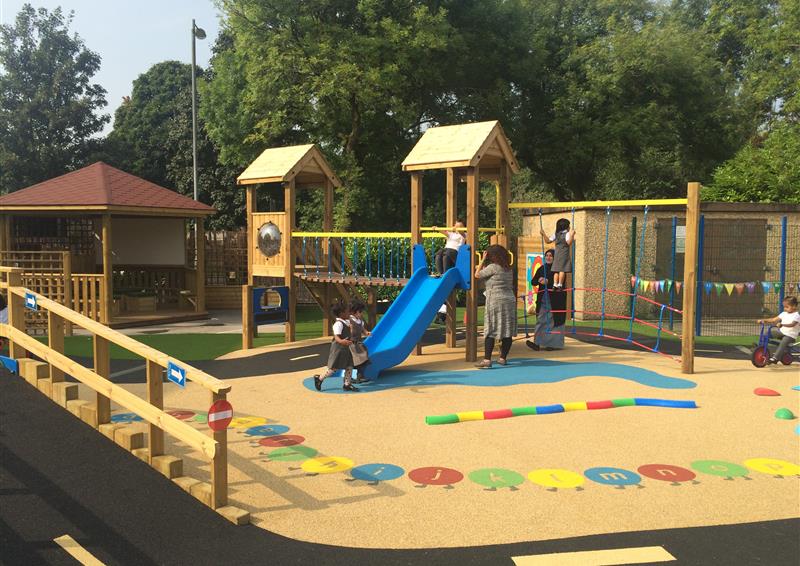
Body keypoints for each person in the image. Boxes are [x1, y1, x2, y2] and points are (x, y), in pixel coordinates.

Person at [474, 245, 517, 368]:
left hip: (495, 300)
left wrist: (482, 260)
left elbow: (477, 275)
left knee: (491, 329)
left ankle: (487, 360)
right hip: (509, 300)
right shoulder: (508, 269)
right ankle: (503, 358)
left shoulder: (493, 267)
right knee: (507, 330)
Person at [314, 303, 358, 392]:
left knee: (349, 366)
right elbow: (337, 337)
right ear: (341, 313)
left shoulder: (346, 322)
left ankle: (347, 384)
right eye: (347, 312)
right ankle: (320, 378)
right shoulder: (338, 324)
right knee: (334, 368)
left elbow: (349, 333)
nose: (349, 313)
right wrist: (342, 341)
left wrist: (351, 329)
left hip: (346, 348)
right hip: (339, 349)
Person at [525, 249, 562, 352]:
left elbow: (560, 284)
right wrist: (539, 280)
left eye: (551, 256)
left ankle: (551, 343)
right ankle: (537, 343)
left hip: (554, 298)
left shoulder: (558, 270)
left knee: (552, 321)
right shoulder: (542, 268)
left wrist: (548, 282)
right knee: (540, 320)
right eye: (547, 255)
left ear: (554, 258)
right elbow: (533, 281)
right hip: (543, 298)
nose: (548, 257)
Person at [758, 296, 799, 365]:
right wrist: (764, 320)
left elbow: (792, 324)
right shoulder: (784, 314)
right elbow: (774, 319)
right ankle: (761, 347)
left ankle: (775, 358)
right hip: (781, 332)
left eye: (787, 307)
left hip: (790, 336)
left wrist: (782, 324)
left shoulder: (796, 315)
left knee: (783, 343)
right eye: (784, 307)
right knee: (767, 333)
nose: (785, 308)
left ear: (794, 306)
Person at [539, 218, 575, 289]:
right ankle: (560, 284)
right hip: (563, 254)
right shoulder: (567, 234)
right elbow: (569, 242)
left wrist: (543, 234)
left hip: (557, 254)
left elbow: (547, 241)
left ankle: (555, 284)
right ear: (566, 227)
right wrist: (572, 235)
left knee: (556, 270)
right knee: (562, 270)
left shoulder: (556, 234)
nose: (570, 227)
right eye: (569, 225)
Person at [349, 299, 371, 383]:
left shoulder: (360, 321)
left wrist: (367, 333)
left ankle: (360, 376)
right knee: (351, 361)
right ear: (354, 312)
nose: (361, 314)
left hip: (358, 343)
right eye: (360, 312)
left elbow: (363, 330)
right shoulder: (349, 320)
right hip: (351, 344)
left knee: (363, 358)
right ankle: (348, 378)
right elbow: (347, 331)